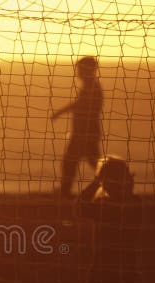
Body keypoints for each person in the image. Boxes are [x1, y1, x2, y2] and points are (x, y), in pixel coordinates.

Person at [77, 156, 141, 283]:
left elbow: (78, 206)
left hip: (108, 266)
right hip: (119, 266)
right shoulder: (132, 203)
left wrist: (96, 181)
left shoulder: (105, 206)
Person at [50, 56, 104, 198]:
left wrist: (59, 112)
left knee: (75, 162)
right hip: (84, 133)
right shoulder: (90, 86)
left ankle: (65, 192)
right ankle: (65, 190)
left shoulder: (92, 87)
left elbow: (81, 106)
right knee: (74, 163)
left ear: (88, 70)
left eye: (80, 69)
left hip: (85, 134)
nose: (78, 72)